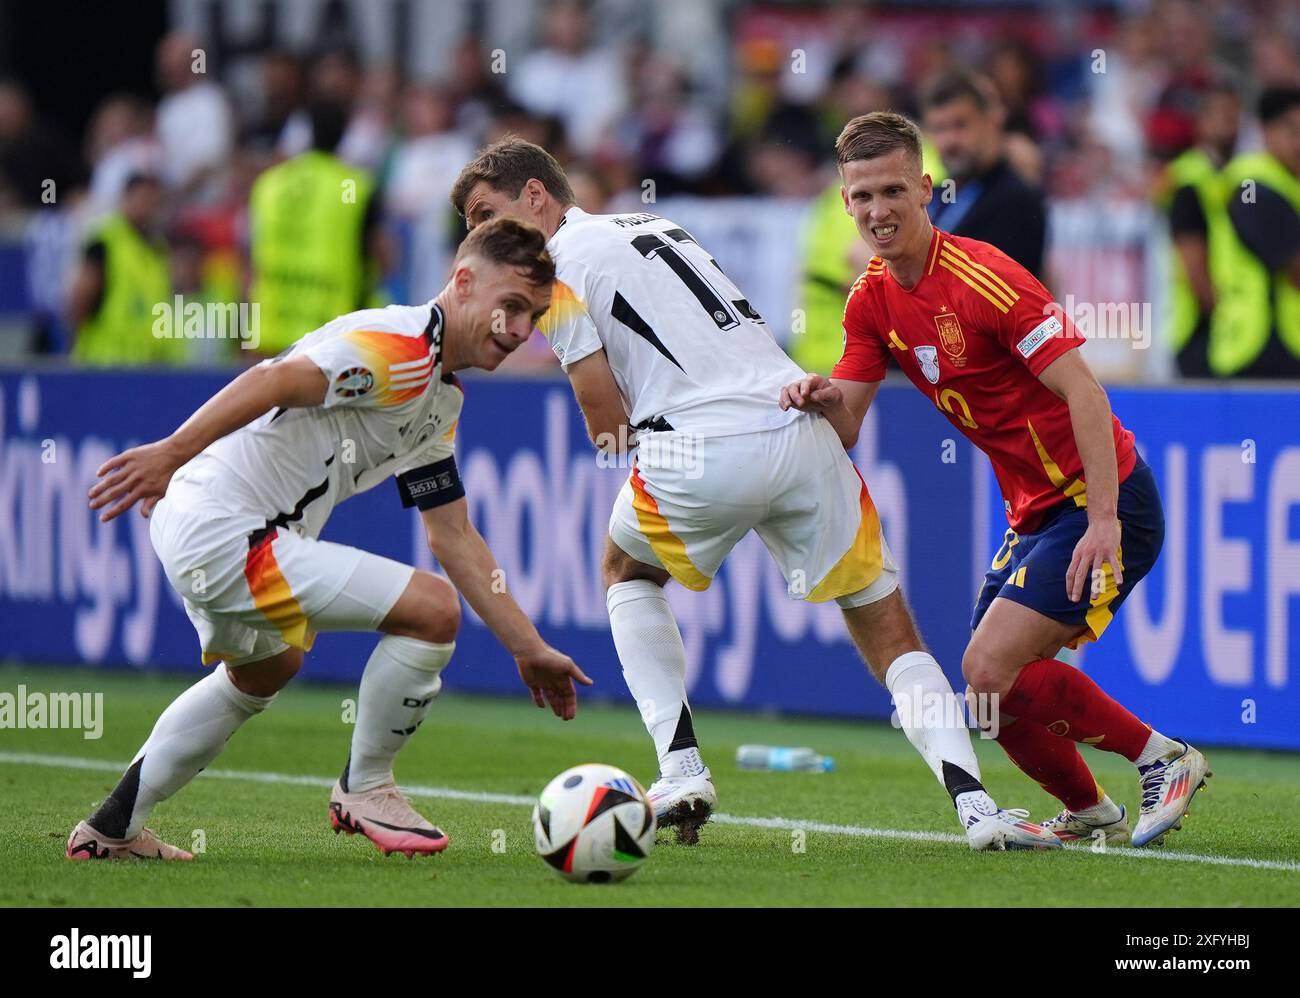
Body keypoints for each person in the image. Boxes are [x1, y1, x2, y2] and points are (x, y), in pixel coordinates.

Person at [451, 138, 1059, 852]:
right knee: (890, 630)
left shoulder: (557, 270)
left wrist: (637, 450)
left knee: (624, 570)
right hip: (796, 424)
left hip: (697, 443)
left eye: (488, 214)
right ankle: (979, 811)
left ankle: (679, 771)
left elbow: (601, 414)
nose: (480, 237)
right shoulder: (656, 227)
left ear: (536, 197)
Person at [66, 218, 591, 861]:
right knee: (432, 611)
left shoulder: (438, 398)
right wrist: (172, 452)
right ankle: (365, 787)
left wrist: (528, 646)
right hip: (225, 528)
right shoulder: (400, 348)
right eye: (509, 306)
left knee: (268, 667)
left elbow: (452, 534)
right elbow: (271, 379)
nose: (517, 330)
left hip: (215, 528)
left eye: (533, 317)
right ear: (462, 283)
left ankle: (110, 829)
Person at [780, 111, 1209, 848]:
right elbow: (847, 424)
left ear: (925, 188)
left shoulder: (986, 278)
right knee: (989, 697)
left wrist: (1104, 519)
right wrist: (814, 398)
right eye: (861, 198)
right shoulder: (870, 300)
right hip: (1036, 512)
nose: (877, 212)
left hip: (1103, 498)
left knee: (988, 666)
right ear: (845, 201)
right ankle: (1090, 811)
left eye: (892, 192)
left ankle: (1163, 758)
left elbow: (1086, 395)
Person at [247, 99, 386, 357]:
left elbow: (249, 259)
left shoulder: (268, 184)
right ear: (345, 134)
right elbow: (380, 256)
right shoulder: (357, 186)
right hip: (331, 336)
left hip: (270, 330)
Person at [1207, 86, 1300, 378]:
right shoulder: (1254, 187)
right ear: (1266, 131)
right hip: (1261, 345)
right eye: (1293, 131)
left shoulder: (1285, 183)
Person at [920, 70, 1046, 280]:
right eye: (939, 129)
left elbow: (986, 290)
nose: (950, 140)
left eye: (960, 125)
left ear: (989, 121)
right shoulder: (934, 194)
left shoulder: (1016, 200)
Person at [1153, 82, 1239, 378]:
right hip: (1200, 325)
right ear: (1201, 122)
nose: (1230, 123)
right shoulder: (1188, 179)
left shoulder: (1231, 173)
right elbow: (1193, 263)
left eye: (1234, 115)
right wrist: (1221, 314)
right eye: (1221, 115)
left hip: (1224, 321)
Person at [69, 172, 184, 366]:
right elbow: (80, 298)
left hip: (146, 363)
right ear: (126, 198)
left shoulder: (157, 248)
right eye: (143, 200)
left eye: (154, 202)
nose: (148, 208)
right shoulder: (106, 240)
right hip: (105, 361)